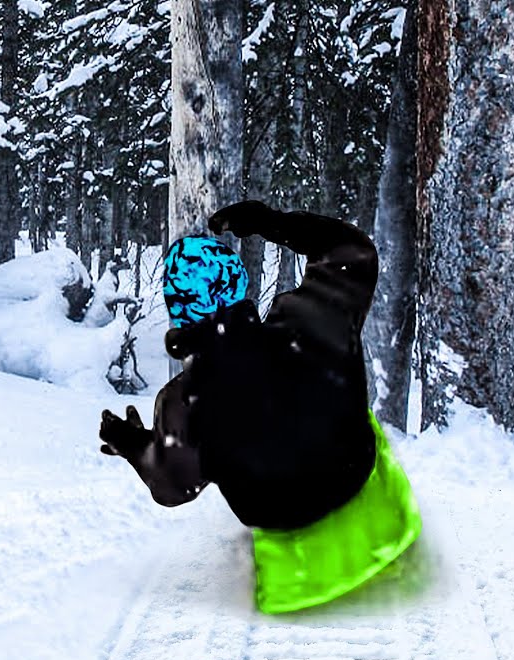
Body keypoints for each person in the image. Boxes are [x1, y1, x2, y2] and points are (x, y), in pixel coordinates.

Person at [99, 200, 420, 613]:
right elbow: (352, 250)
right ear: (240, 285)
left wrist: (132, 444)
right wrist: (273, 223)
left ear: (176, 309)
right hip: (351, 474)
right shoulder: (314, 319)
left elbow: (172, 487)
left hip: (277, 513)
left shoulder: (185, 399)